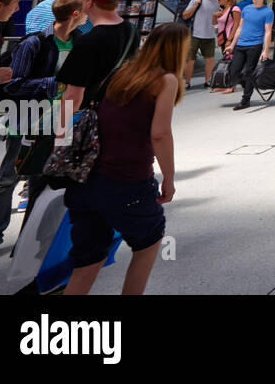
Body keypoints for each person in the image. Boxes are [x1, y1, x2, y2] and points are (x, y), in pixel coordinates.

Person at [62, 22, 184, 295]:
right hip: (128, 179)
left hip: (88, 179)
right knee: (149, 242)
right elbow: (160, 134)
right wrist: (170, 178)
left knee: (88, 259)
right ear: (179, 50)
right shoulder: (166, 80)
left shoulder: (122, 72)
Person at [0, 0, 86, 268]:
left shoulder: (80, 41)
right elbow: (12, 84)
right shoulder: (35, 43)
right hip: (26, 119)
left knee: (43, 180)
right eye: (84, 11)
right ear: (74, 14)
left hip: (60, 119)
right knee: (8, 177)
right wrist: (54, 83)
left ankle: (32, 238)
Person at [56, 0, 137, 114]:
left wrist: (61, 132)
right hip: (117, 112)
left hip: (90, 118)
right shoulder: (131, 30)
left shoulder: (88, 41)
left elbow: (73, 97)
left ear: (89, 2)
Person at [224, 0, 273, 111]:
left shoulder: (268, 12)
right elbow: (240, 28)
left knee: (248, 72)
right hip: (240, 44)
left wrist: (265, 50)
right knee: (234, 72)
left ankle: (245, 100)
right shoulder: (246, 9)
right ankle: (250, 84)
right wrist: (231, 45)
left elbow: (268, 32)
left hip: (255, 45)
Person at [180, 0, 220, 90]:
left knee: (210, 59)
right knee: (190, 60)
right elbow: (185, 16)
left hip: (210, 35)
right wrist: (196, 4)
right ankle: (187, 82)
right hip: (195, 34)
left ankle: (207, 81)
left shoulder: (217, 2)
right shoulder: (197, 0)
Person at [212, 0, 242, 93]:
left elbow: (237, 24)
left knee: (232, 62)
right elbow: (215, 23)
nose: (218, 1)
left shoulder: (235, 9)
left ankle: (232, 86)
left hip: (230, 38)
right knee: (226, 61)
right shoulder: (222, 10)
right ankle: (225, 84)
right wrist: (214, 16)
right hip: (222, 39)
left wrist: (230, 40)